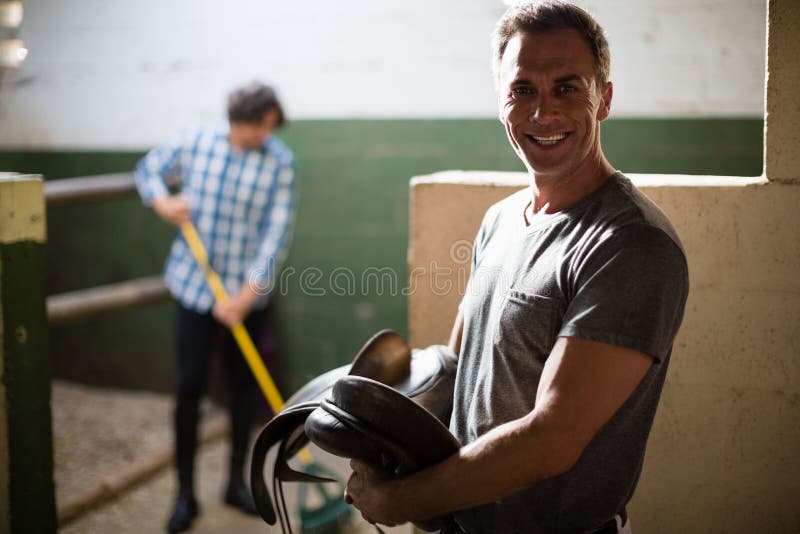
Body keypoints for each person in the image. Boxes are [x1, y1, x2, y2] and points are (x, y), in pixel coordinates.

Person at [344, 2, 688, 533]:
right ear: (501, 101)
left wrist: (403, 500)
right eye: (522, 89)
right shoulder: (500, 220)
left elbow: (552, 440)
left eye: (567, 87)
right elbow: (458, 369)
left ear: (605, 100)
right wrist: (374, 429)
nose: (541, 112)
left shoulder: (631, 243)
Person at [134, 82, 296, 533]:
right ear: (242, 120)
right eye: (263, 126)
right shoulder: (195, 143)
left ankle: (233, 484)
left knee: (241, 389)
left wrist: (248, 293)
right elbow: (147, 170)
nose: (268, 134)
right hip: (194, 286)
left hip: (247, 295)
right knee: (188, 387)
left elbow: (276, 232)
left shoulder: (280, 162)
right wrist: (163, 202)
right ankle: (184, 493)